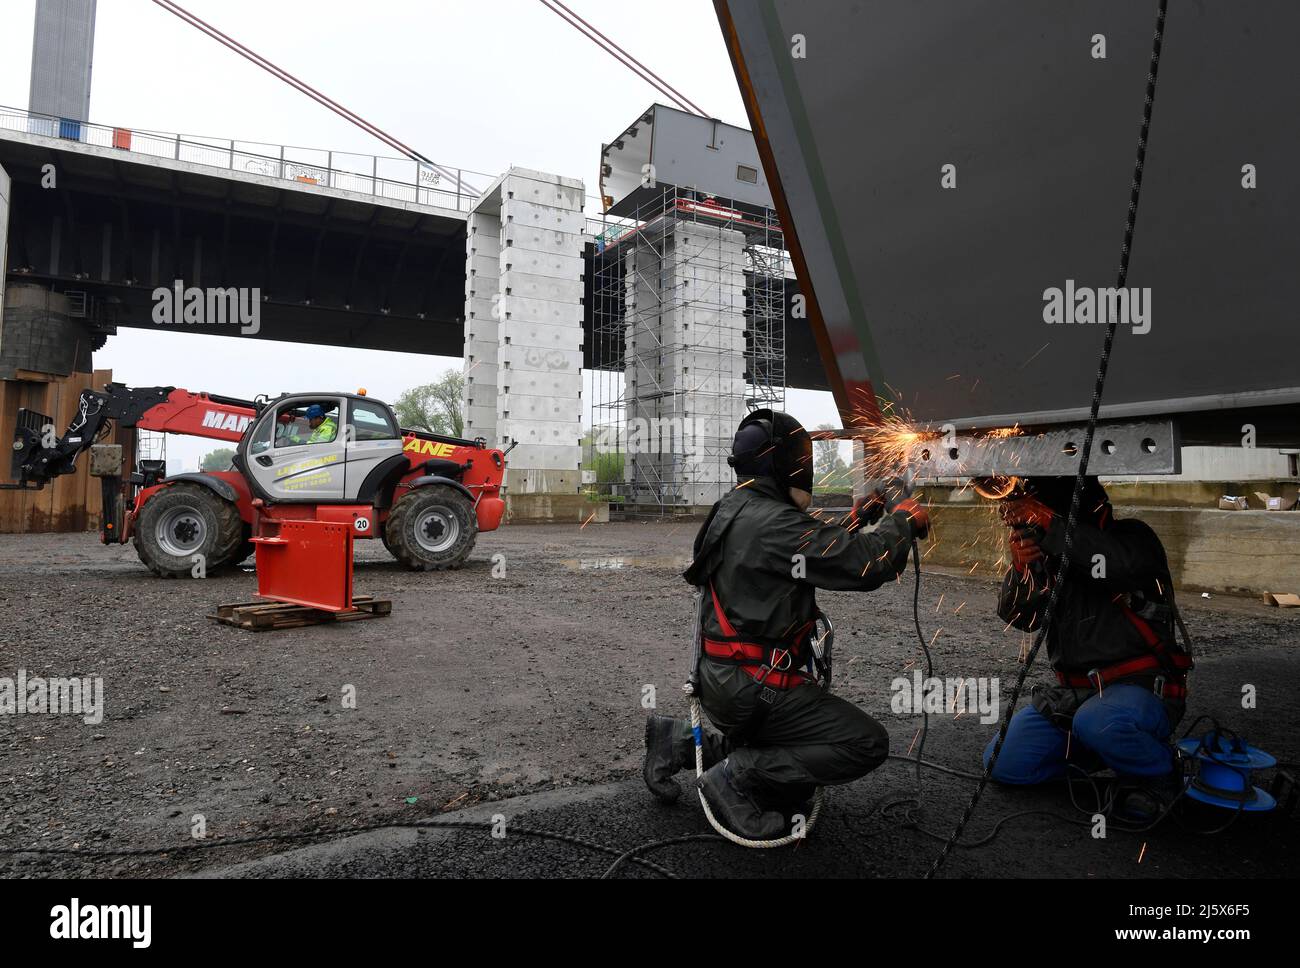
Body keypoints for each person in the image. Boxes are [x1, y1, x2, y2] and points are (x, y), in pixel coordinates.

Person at [642, 409, 930, 839]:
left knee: (789, 746)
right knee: (864, 743)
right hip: (754, 689)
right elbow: (867, 565)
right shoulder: (772, 522)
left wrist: (858, 521)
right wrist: (903, 520)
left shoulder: (739, 508)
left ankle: (681, 742)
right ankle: (735, 779)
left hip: (725, 679)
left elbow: (798, 558)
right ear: (782, 463)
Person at [988, 476, 1192, 820]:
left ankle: (1164, 773)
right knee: (1005, 762)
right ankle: (1110, 750)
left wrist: (1051, 525)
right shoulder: (1051, 553)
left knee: (1100, 721)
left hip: (1139, 690)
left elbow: (1116, 565)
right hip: (1076, 698)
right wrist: (1023, 567)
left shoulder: (1132, 538)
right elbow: (1021, 618)